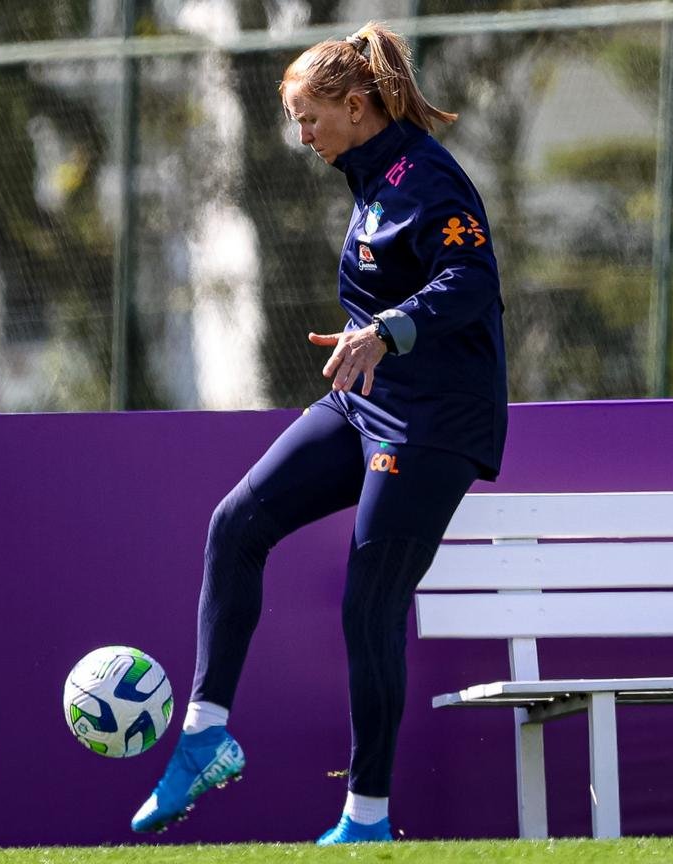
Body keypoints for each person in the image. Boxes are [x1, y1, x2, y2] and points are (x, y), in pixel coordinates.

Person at [131, 20, 507, 845]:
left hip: (434, 415)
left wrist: (387, 329)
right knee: (236, 524)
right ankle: (203, 735)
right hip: (367, 395)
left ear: (357, 105)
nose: (301, 137)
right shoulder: (369, 173)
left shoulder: (426, 177)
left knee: (368, 606)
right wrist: (363, 335)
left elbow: (472, 281)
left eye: (309, 118)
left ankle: (365, 818)